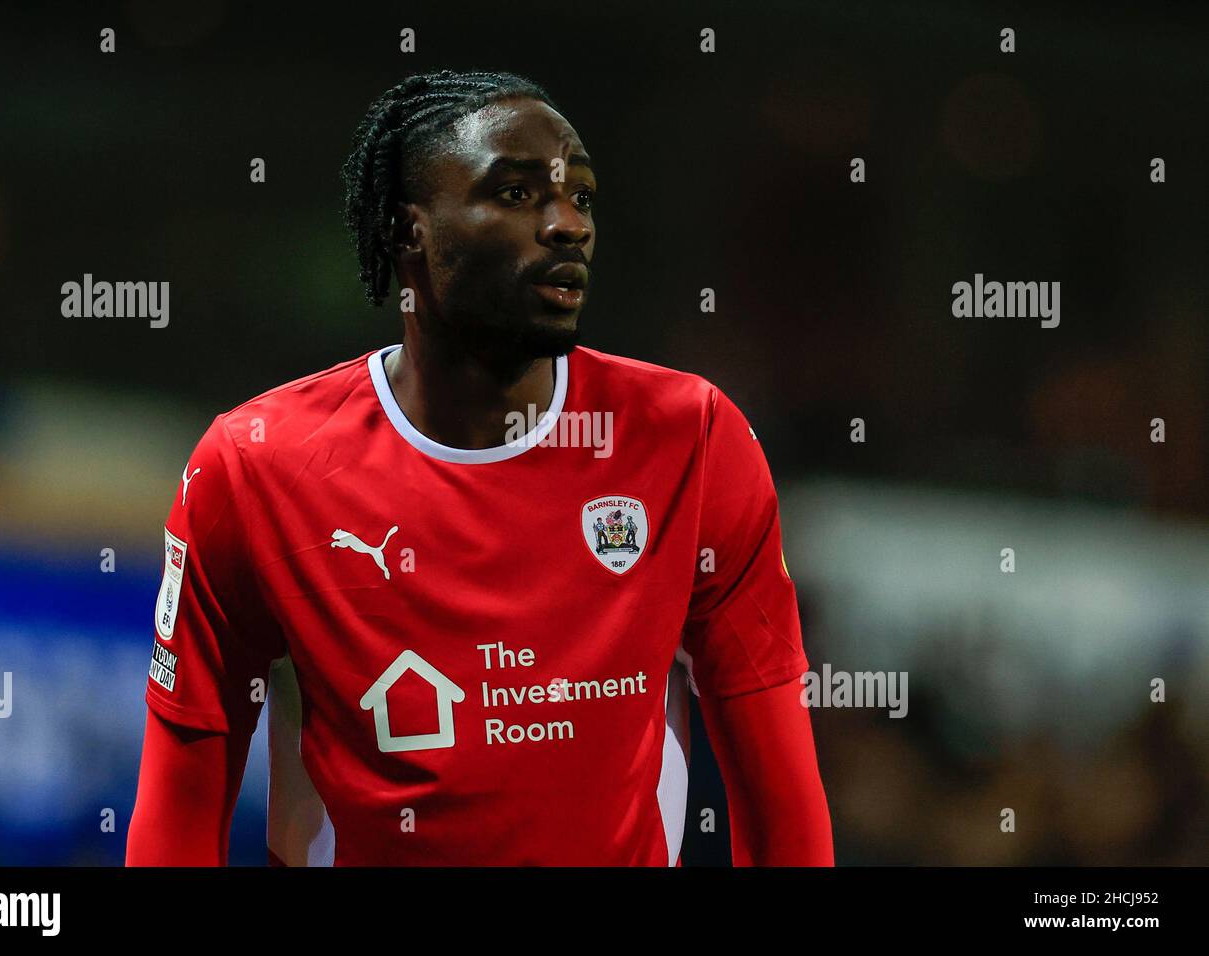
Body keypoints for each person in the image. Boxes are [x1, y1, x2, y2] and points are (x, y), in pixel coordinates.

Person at [125, 69, 832, 867]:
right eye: (519, 194)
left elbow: (783, 812)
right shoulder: (256, 466)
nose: (568, 225)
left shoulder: (690, 440)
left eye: (582, 198)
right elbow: (180, 805)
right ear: (407, 231)